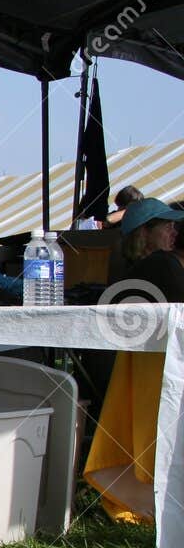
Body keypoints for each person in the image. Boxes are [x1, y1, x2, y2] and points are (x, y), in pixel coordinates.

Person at [83, 196, 184, 523]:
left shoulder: (125, 266)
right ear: (145, 231)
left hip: (128, 379)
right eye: (166, 225)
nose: (173, 230)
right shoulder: (162, 265)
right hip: (151, 377)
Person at [117, 197, 184, 300]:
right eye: (167, 227)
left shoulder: (130, 269)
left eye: (174, 227)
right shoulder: (162, 264)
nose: (174, 233)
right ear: (143, 233)